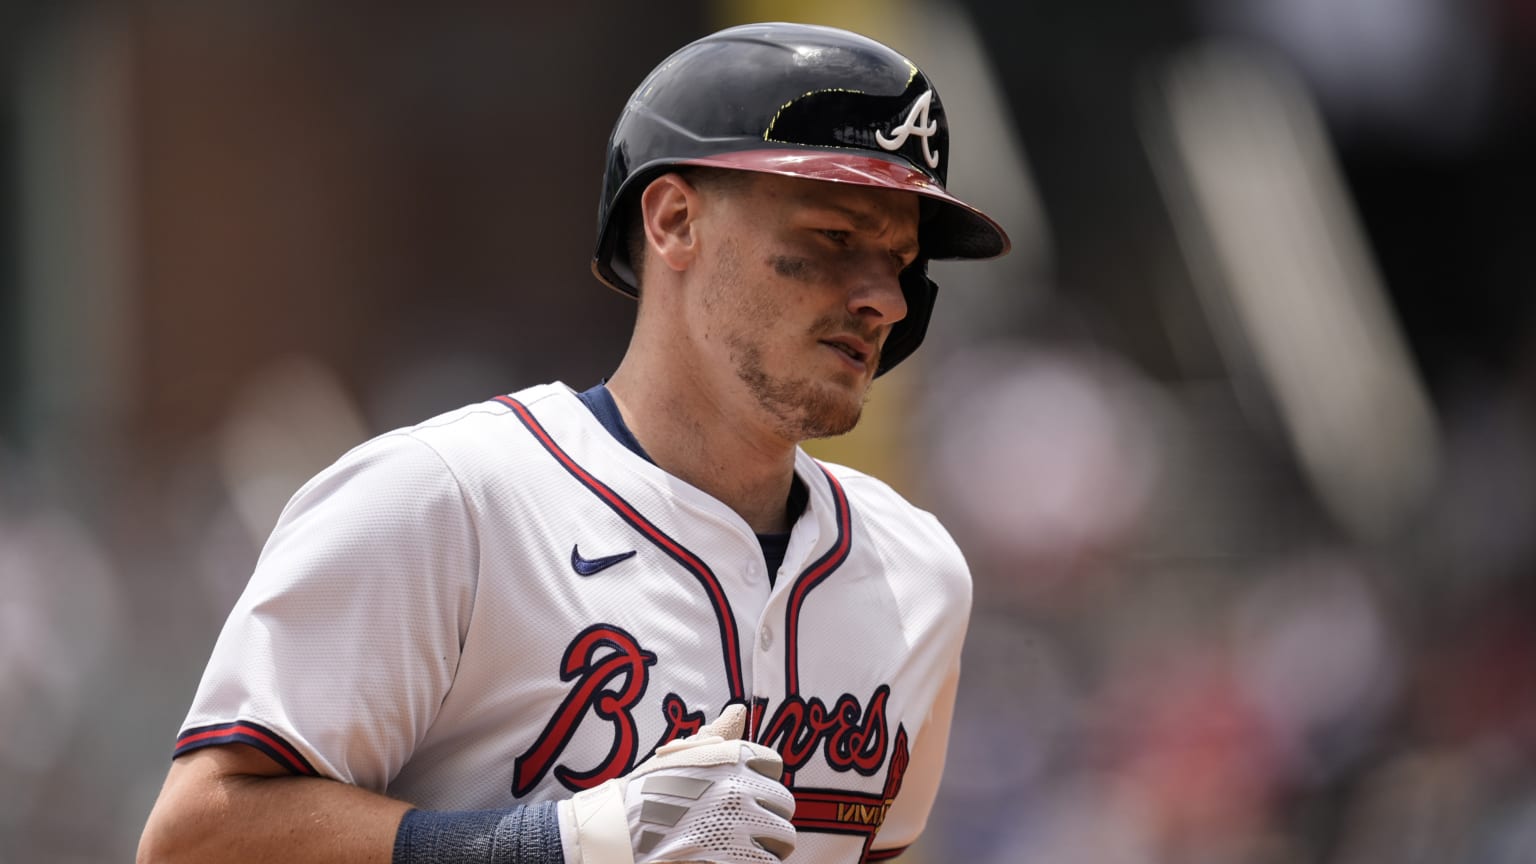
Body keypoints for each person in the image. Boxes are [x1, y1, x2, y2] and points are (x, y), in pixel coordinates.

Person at [137, 21, 1009, 864]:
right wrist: (560, 845)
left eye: (898, 261)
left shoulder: (917, 575)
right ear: (673, 221)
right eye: (835, 238)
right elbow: (195, 841)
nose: (883, 299)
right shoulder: (447, 499)